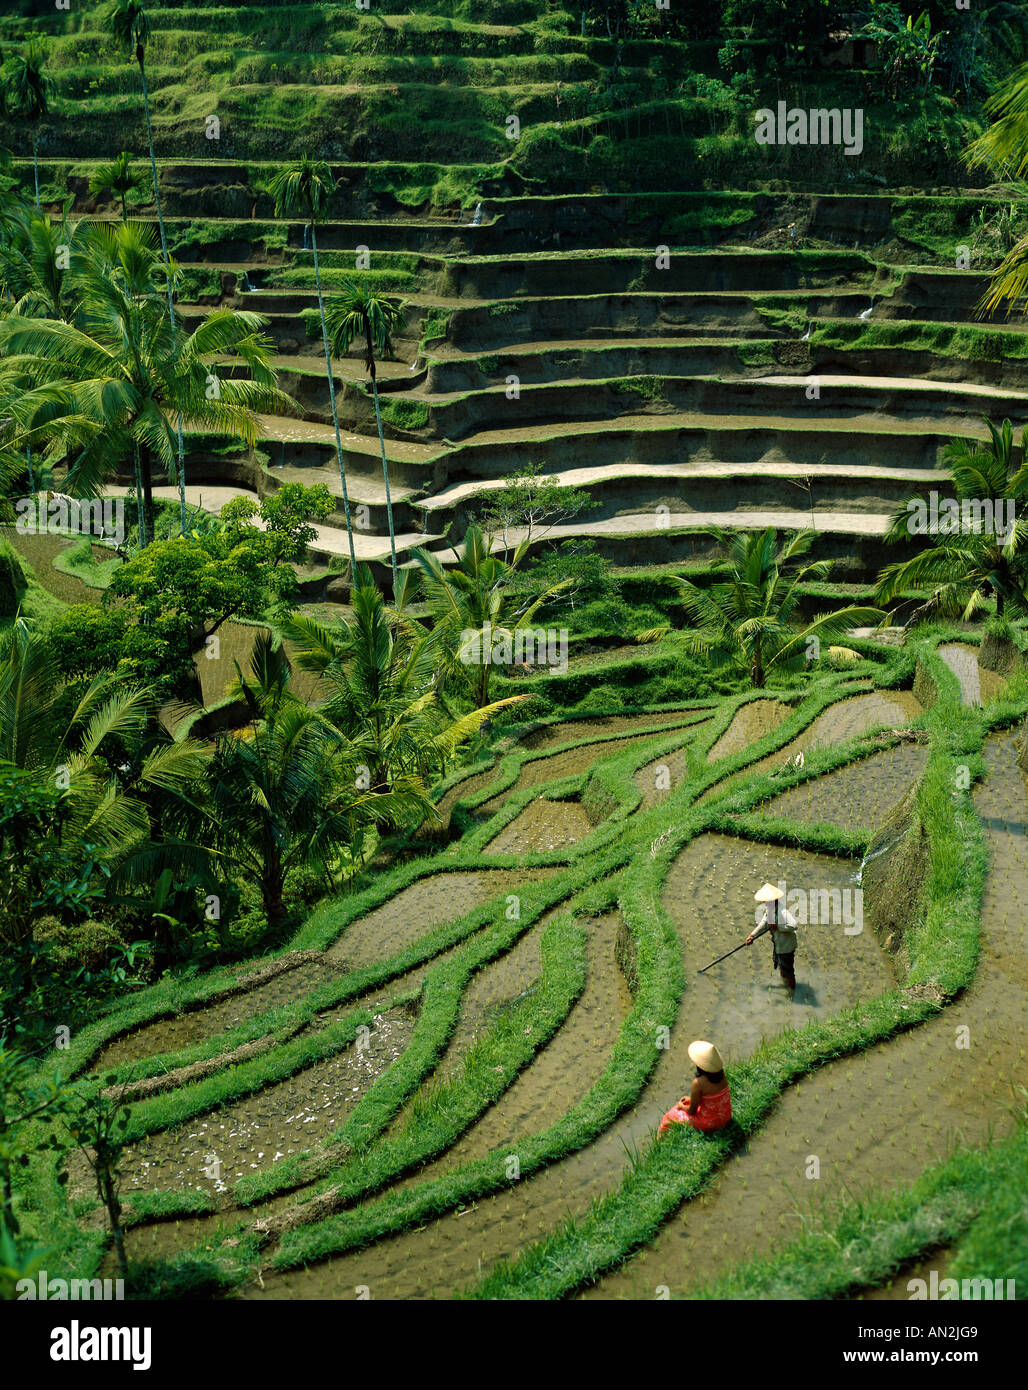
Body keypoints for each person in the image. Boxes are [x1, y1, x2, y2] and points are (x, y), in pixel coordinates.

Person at [657, 1041, 732, 1136]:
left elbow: (691, 1111)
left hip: (710, 1123)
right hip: (725, 1117)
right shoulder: (722, 1076)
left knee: (670, 1115)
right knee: (688, 1102)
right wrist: (690, 1100)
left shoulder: (698, 1083)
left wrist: (681, 1106)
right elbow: (712, 1099)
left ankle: (660, 1142)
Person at [745, 881, 798, 992]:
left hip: (786, 946)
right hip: (779, 944)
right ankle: (785, 983)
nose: (764, 902)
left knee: (788, 970)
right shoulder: (769, 910)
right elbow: (764, 924)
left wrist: (778, 926)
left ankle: (792, 991)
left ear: (773, 900)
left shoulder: (782, 911)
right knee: (781, 967)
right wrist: (752, 935)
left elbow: (793, 925)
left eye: (766, 900)